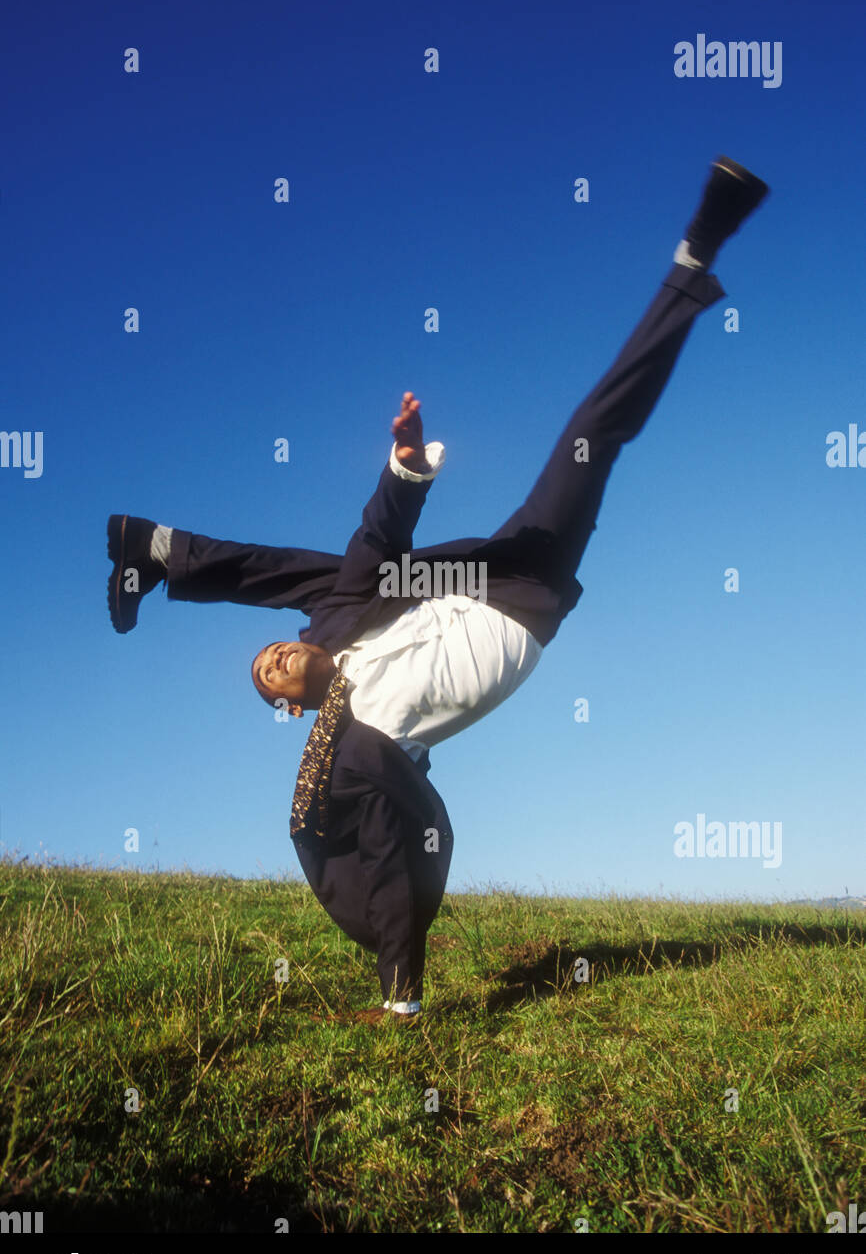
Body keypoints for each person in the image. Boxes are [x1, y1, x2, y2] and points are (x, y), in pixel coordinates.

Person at [107, 156, 769, 1024]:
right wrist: (402, 993)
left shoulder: (332, 623)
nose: (275, 655)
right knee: (591, 439)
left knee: (348, 573)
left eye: (268, 650)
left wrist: (405, 470)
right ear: (292, 710)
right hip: (521, 607)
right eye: (271, 674)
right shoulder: (356, 747)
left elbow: (377, 542)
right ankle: (692, 272)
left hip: (459, 576)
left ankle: (157, 549)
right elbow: (383, 859)